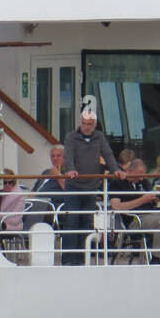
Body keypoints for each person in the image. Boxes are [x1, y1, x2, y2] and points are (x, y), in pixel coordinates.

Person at [108, 159, 160, 264]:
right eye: (139, 174)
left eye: (143, 174)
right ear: (130, 171)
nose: (142, 177)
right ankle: (157, 258)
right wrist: (142, 200)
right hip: (135, 219)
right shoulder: (117, 183)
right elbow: (116, 207)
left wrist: (155, 198)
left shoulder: (143, 182)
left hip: (153, 213)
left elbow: (151, 196)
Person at [61, 111, 117, 266]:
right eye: (83, 123)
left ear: (95, 125)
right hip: (74, 186)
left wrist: (116, 170)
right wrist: (70, 169)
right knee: (71, 222)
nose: (85, 127)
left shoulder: (99, 137)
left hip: (91, 186)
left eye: (89, 124)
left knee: (86, 223)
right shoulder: (71, 136)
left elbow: (108, 154)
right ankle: (68, 261)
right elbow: (68, 155)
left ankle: (83, 259)